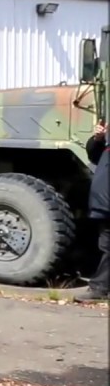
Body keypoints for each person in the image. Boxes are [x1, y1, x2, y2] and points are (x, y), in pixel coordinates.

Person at [80, 120, 110, 302]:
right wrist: (97, 139)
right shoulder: (106, 145)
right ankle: (99, 288)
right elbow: (93, 155)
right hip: (103, 206)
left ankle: (99, 289)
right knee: (105, 246)